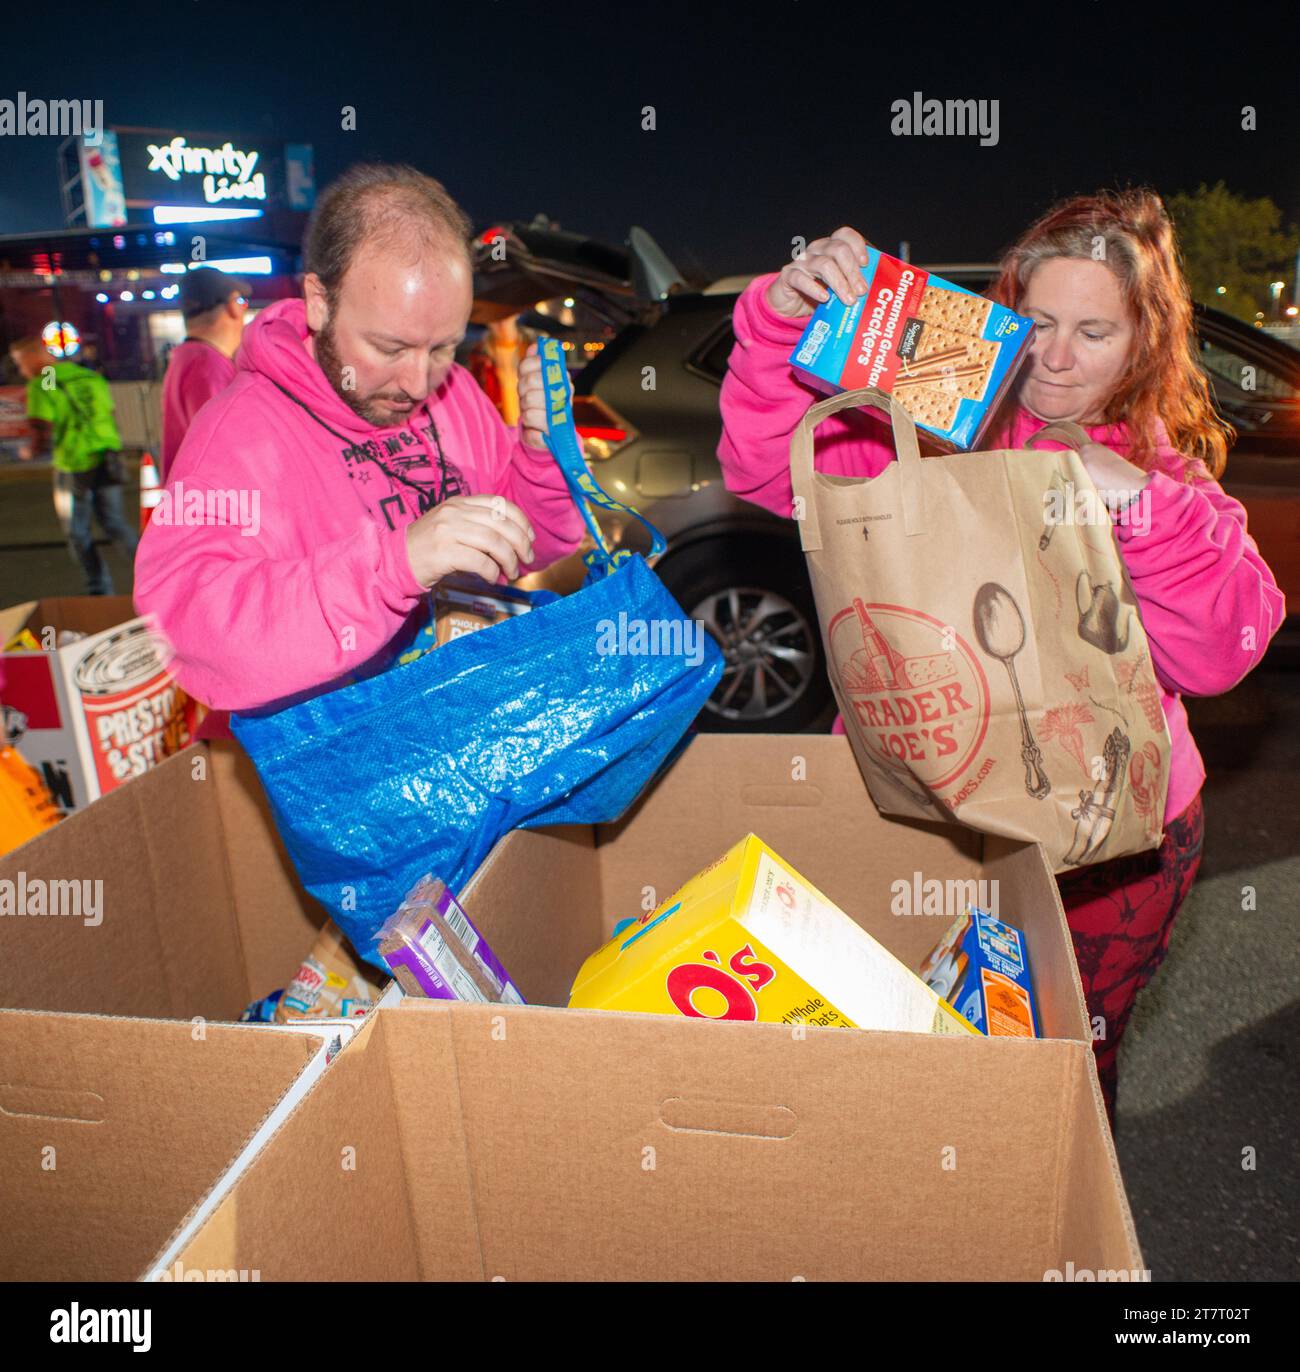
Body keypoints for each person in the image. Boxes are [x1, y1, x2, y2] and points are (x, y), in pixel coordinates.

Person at [716, 189, 1285, 1126]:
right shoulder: (935, 417)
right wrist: (779, 325)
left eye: (1095, 331)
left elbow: (1222, 648)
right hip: (918, 811)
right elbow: (769, 471)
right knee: (903, 1049)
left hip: (1108, 849)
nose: (1057, 357)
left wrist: (1133, 500)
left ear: (1144, 343)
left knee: (1056, 1073)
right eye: (1039, 321)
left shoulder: (1166, 477)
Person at [134, 163, 582, 732]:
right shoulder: (239, 436)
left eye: (443, 346)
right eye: (388, 347)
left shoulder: (456, 392)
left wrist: (542, 457)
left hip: (469, 732)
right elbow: (187, 630)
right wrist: (394, 567)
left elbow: (527, 544)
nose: (418, 383)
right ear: (320, 301)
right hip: (344, 779)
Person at [9, 336, 138, 595]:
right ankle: (153, 575)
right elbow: (109, 413)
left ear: (34, 359)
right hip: (107, 456)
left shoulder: (44, 381)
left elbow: (42, 425)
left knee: (77, 532)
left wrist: (28, 451)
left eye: (20, 364)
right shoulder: (87, 375)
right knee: (115, 524)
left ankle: (99, 590)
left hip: (74, 461)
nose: (22, 371)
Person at [159, 266, 250, 481]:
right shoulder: (208, 366)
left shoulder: (186, 357)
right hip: (213, 505)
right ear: (232, 306)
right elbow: (225, 448)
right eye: (242, 302)